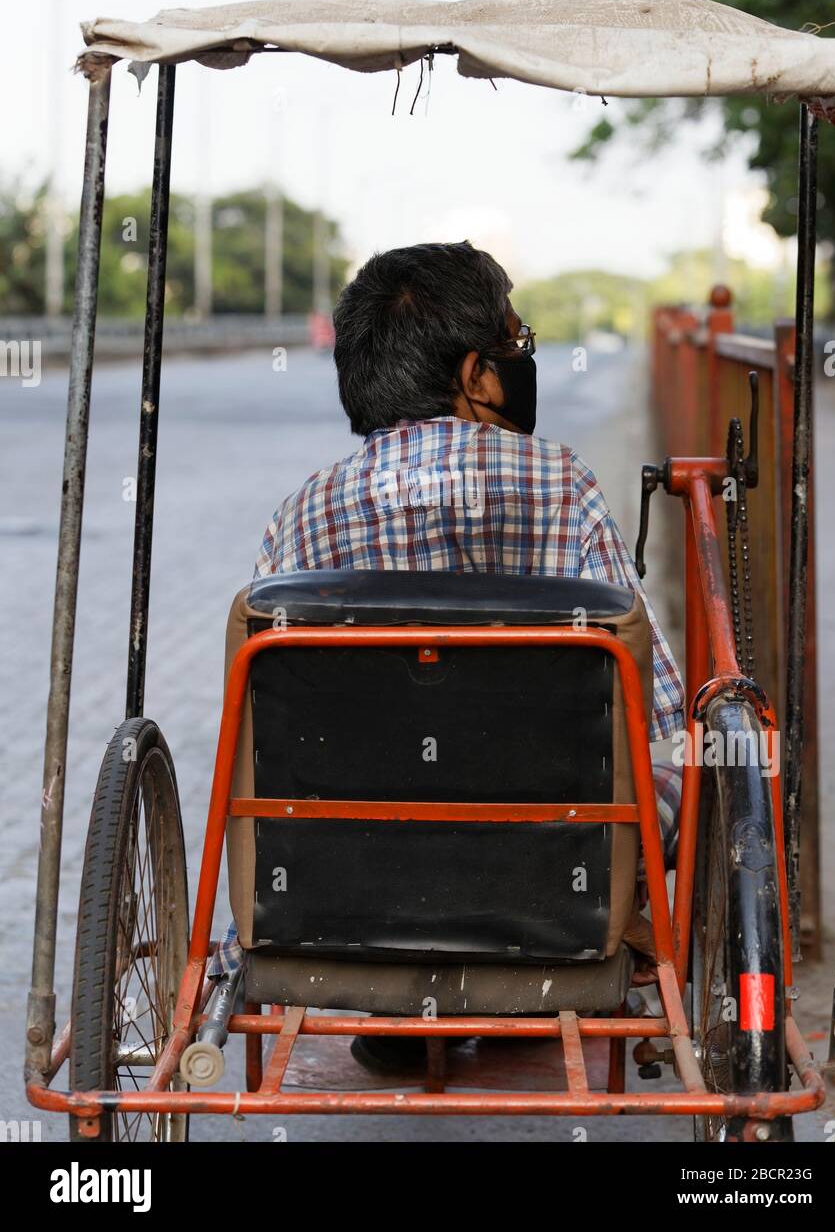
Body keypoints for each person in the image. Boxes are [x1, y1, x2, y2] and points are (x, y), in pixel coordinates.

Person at [211, 241, 685, 1069]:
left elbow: (261, 742)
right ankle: (526, 964)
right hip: (547, 869)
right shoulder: (560, 485)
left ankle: (394, 986)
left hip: (345, 881)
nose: (521, 359)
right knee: (685, 761)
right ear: (475, 376)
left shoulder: (303, 517)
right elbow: (662, 707)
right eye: (514, 343)